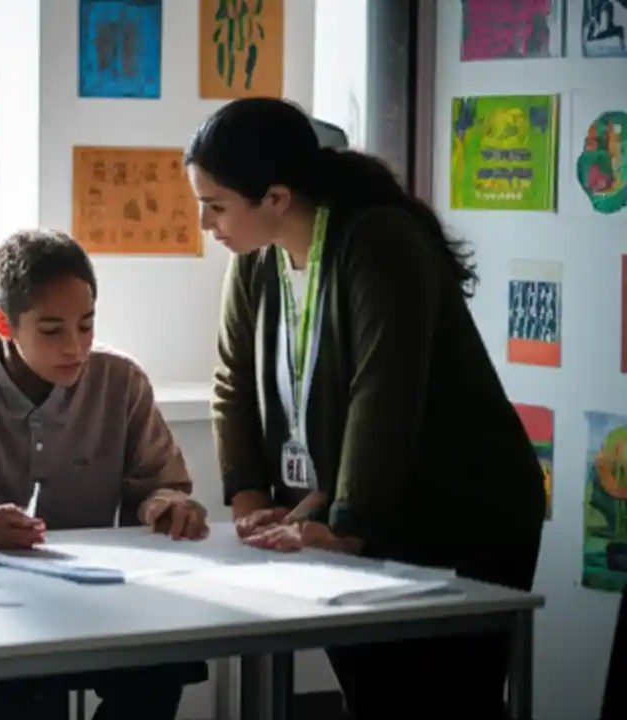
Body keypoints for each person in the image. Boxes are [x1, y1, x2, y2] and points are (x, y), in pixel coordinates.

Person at [186, 97, 545, 719]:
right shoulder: (255, 260)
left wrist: (347, 523)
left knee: (445, 702)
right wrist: (250, 499)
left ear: (275, 198)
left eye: (215, 205)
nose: (203, 222)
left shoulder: (378, 239)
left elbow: (384, 390)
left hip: (458, 506)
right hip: (344, 509)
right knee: (376, 697)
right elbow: (233, 381)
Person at [0, 228, 209, 720]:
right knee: (8, 684)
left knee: (167, 662)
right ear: (4, 322)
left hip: (94, 601)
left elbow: (158, 482)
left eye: (86, 325)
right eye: (52, 330)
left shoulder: (120, 380)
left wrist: (165, 504)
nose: (75, 347)